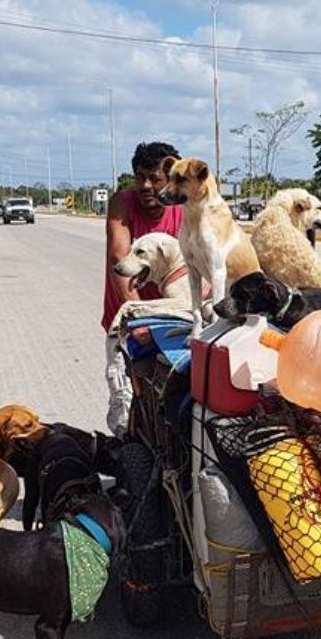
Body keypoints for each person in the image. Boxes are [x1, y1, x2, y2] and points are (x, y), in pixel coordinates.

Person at [103, 142, 183, 436]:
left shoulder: (185, 208)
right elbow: (118, 256)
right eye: (140, 177)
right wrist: (137, 320)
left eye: (155, 177)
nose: (146, 185)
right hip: (130, 319)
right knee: (126, 401)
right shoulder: (122, 203)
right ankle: (126, 457)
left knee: (172, 400)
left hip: (174, 318)